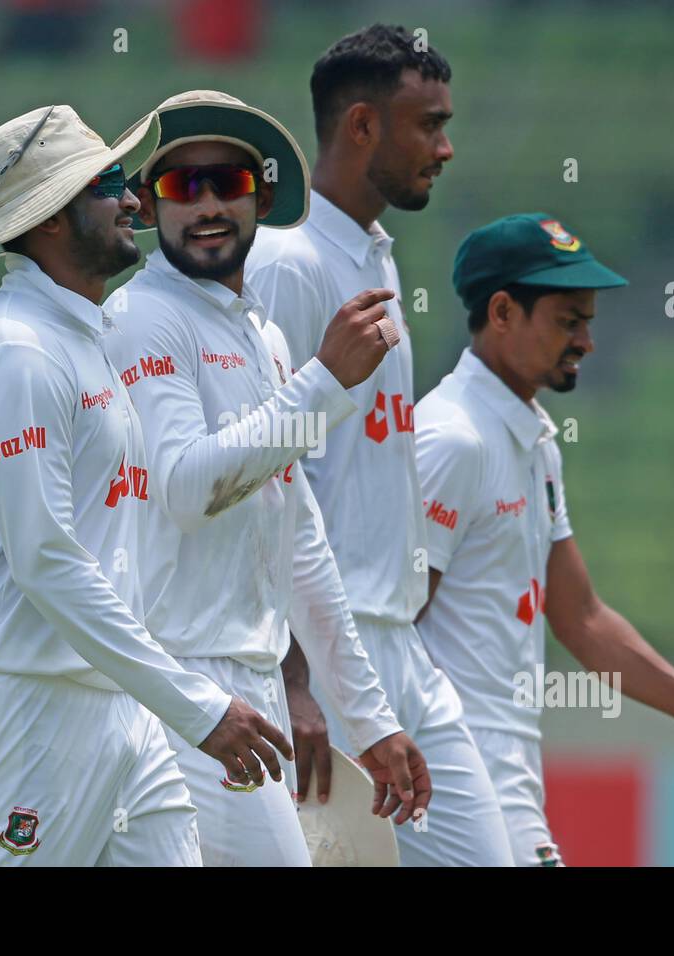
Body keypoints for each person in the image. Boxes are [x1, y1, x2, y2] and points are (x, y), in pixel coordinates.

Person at [0, 104, 292, 866]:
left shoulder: (87, 339)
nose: (135, 201)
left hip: (111, 707)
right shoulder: (17, 353)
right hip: (3, 702)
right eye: (108, 185)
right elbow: (47, 562)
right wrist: (198, 704)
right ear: (48, 220)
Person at [104, 90, 430, 866]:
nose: (209, 205)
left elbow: (300, 544)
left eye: (229, 183)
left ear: (264, 196)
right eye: (184, 187)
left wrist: (370, 717)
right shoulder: (143, 318)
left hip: (245, 687)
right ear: (150, 206)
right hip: (175, 683)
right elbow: (187, 489)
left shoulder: (266, 337)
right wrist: (323, 382)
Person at [415, 212, 674, 866]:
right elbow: (382, 620)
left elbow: (584, 620)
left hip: (502, 781)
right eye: (570, 320)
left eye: (588, 320)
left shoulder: (531, 441)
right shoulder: (451, 440)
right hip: (446, 786)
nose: (587, 341)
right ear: (502, 311)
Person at [245, 25, 514, 865]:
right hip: (324, 656)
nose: (446, 145)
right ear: (362, 126)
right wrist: (292, 679)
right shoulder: (288, 265)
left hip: (399, 648)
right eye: (427, 124)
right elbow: (263, 479)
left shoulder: (375, 258)